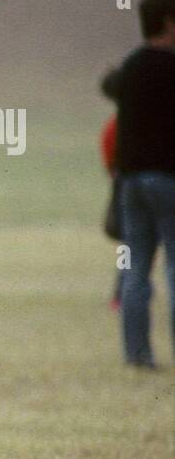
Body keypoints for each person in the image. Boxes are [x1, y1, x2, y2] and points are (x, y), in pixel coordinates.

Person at [114, 0, 175, 369]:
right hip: (169, 180)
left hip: (131, 181)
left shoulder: (132, 65)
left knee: (136, 268)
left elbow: (108, 85)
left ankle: (138, 353)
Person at [99, 68, 123, 310]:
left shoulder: (112, 127)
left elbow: (108, 163)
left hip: (125, 187)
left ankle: (121, 292)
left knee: (128, 247)